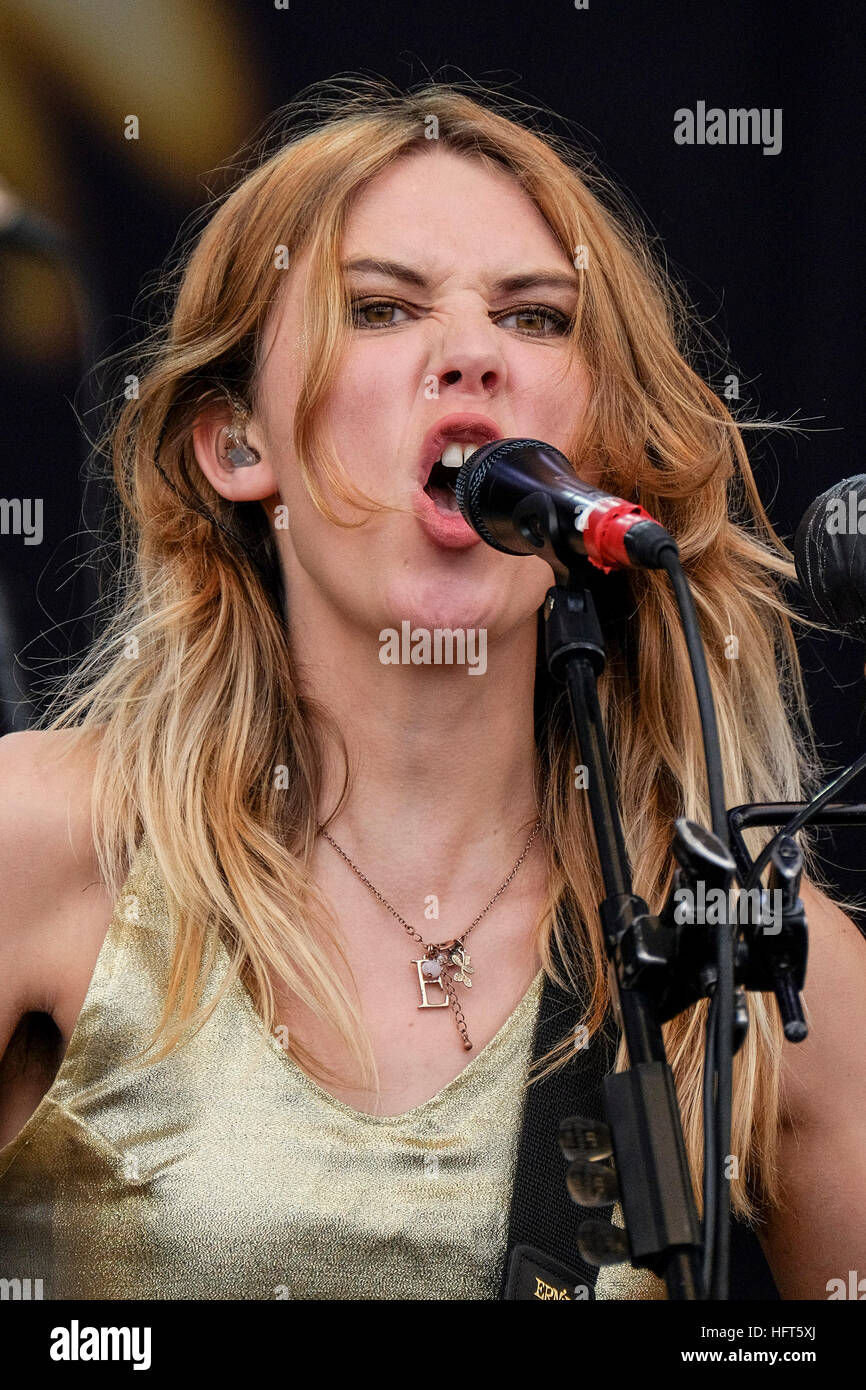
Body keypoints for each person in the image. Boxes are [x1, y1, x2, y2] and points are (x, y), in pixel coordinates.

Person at [1, 78, 864, 1301]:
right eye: (380, 307)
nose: (470, 352)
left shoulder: (746, 957)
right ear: (237, 443)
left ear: (599, 453)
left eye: (535, 318)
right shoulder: (43, 844)